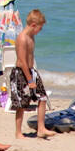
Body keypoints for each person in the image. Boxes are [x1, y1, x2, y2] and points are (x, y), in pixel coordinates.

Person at [13, 9, 52, 139]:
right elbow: (23, 61)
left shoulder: (31, 36)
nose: (40, 31)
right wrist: (29, 80)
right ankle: (18, 132)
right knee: (22, 104)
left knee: (42, 97)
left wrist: (32, 74)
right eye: (40, 28)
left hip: (31, 71)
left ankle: (41, 128)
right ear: (34, 25)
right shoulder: (22, 38)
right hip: (21, 73)